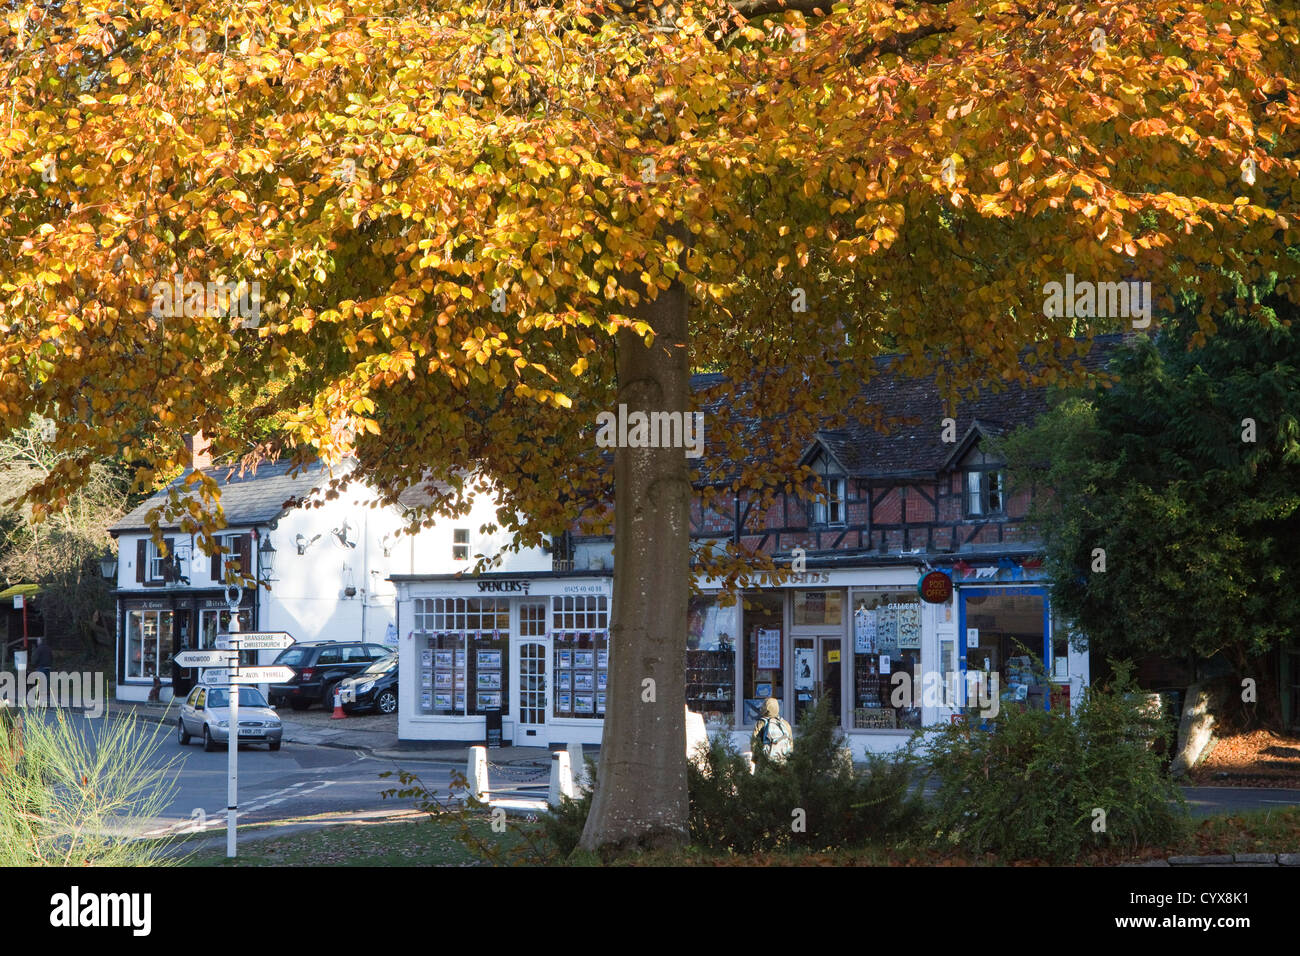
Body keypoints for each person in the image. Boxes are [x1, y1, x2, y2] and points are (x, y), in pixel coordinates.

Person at [751, 697, 793, 768]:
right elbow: (790, 744)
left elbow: (754, 743)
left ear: (765, 708)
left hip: (765, 761)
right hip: (782, 761)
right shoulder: (785, 724)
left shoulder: (761, 723)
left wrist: (755, 759)